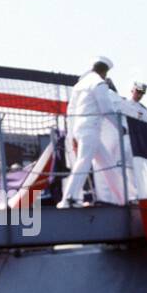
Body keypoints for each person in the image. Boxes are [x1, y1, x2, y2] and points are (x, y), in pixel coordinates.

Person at [59, 56, 123, 208]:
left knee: (108, 163)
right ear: (104, 71)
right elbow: (106, 110)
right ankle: (69, 199)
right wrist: (121, 127)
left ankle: (124, 197)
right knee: (83, 163)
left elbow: (71, 111)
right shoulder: (99, 83)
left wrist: (72, 135)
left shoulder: (79, 85)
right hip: (92, 129)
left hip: (80, 129)